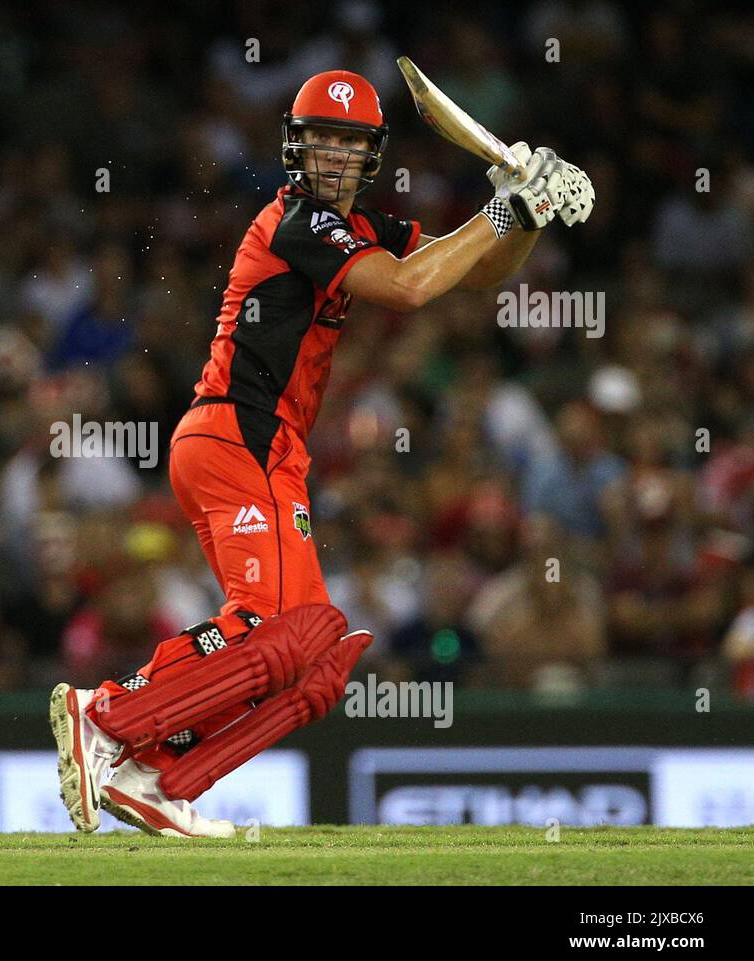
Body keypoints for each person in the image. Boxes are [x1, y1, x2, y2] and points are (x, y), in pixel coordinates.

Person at [50, 69, 596, 837]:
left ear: (370, 155)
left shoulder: (363, 227)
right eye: (322, 140)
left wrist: (524, 217)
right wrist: (510, 201)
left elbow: (476, 274)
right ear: (295, 148)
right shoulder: (297, 220)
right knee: (269, 625)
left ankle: (157, 775)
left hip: (269, 451)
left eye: (350, 142)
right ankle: (106, 714)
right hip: (237, 433)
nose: (335, 156)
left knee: (314, 655)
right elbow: (409, 290)